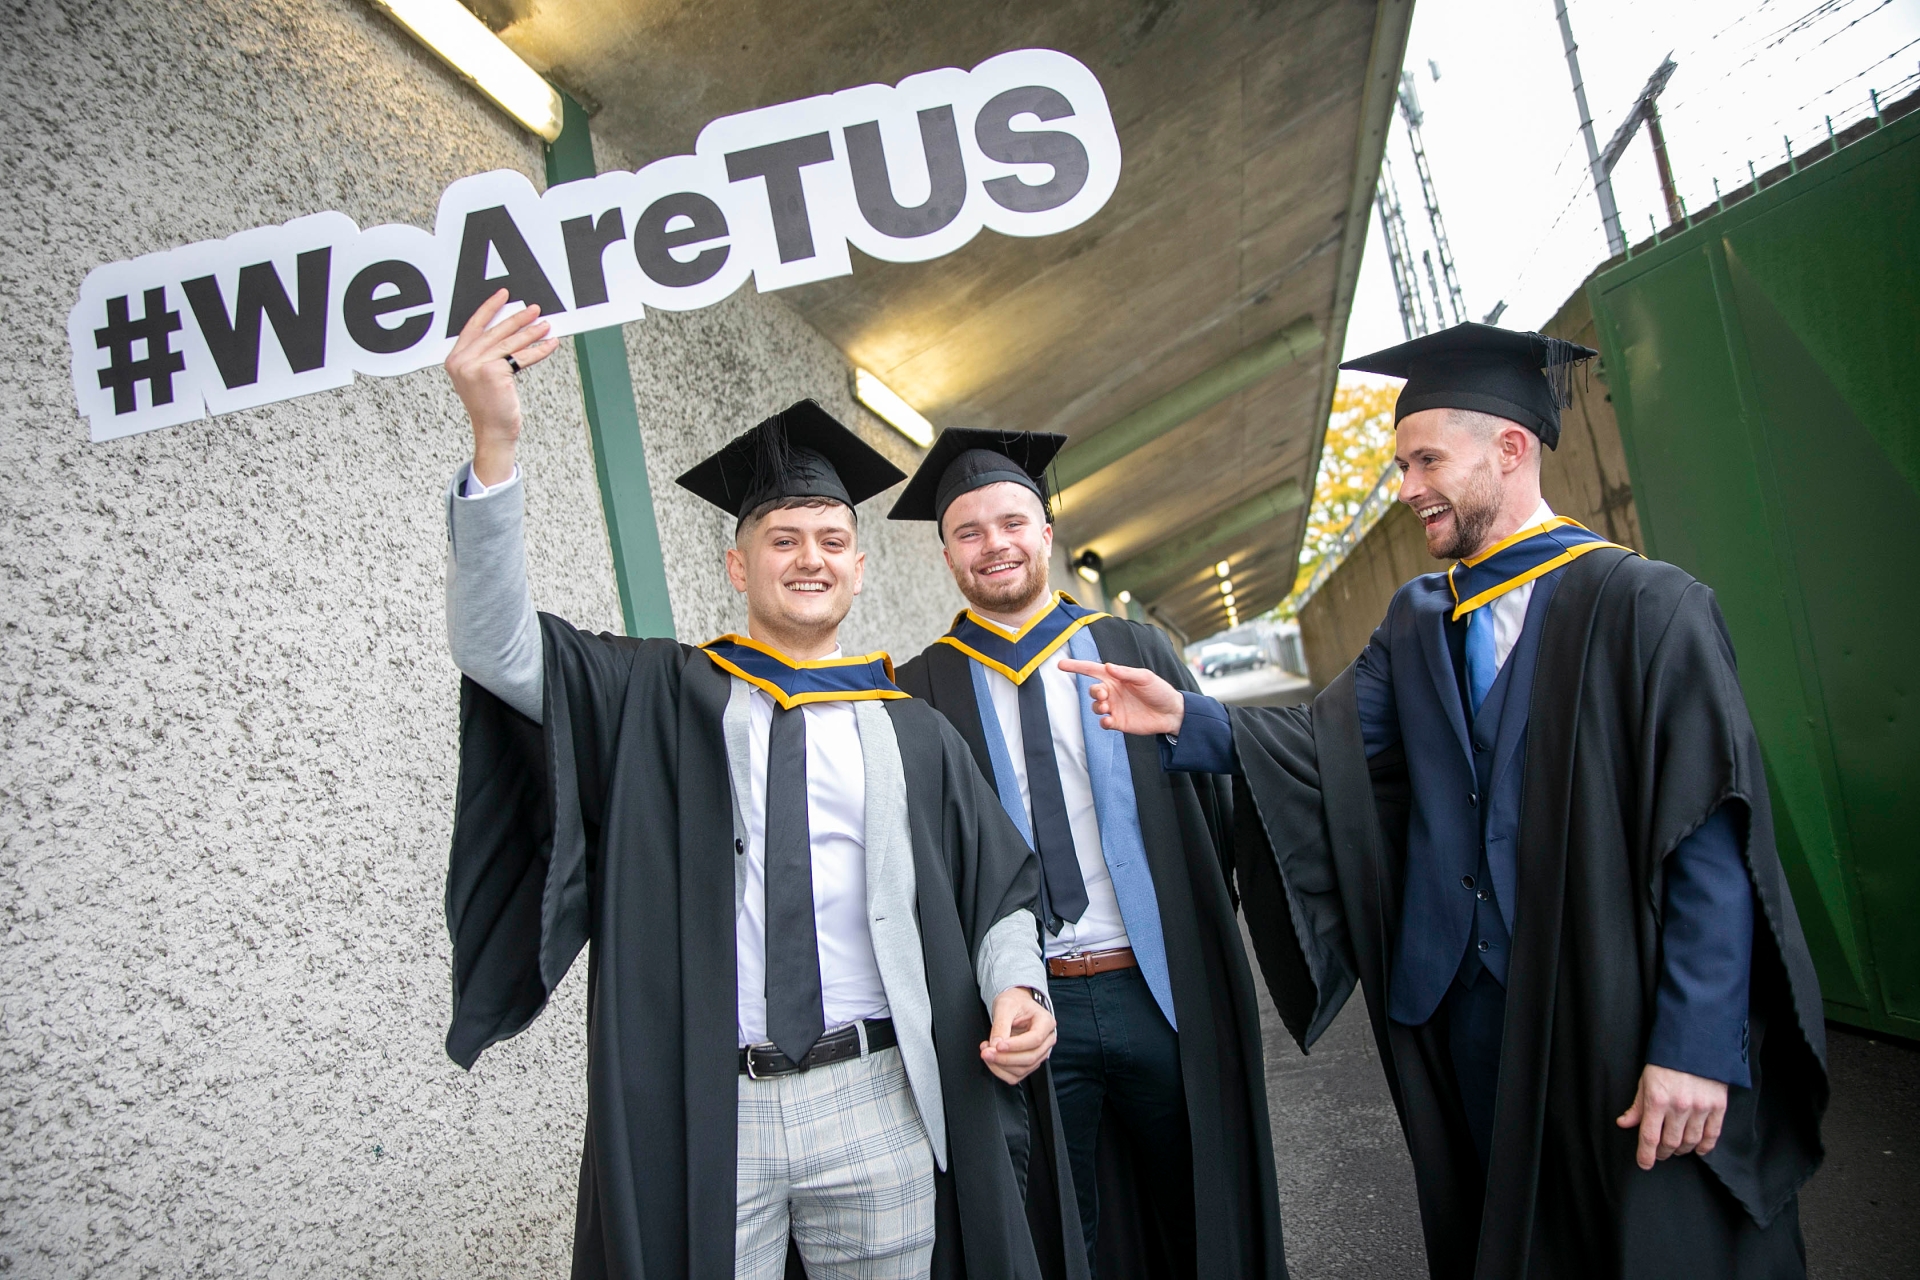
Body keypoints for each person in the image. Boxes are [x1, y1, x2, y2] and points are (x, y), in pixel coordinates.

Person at [1060, 323, 1828, 1279]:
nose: (1408, 485)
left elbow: (1709, 838)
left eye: (1426, 460)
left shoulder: (1646, 611)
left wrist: (1696, 1046)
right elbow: (1328, 742)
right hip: (1459, 1010)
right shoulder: (1421, 621)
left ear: (1510, 448)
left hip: (1603, 996)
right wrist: (1187, 716)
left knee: (1635, 1237)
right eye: (1399, 464)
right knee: (1494, 1239)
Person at [437, 290, 1088, 1280]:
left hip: (878, 1095)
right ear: (738, 564)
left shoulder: (911, 727)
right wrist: (495, 439)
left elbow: (997, 886)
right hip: (716, 1105)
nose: (810, 558)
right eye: (784, 540)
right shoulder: (658, 694)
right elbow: (496, 647)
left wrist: (1017, 984)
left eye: (831, 540)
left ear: (860, 568)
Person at [889, 430, 1289, 1280]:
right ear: (947, 555)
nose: (993, 544)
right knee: (1056, 1235)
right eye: (968, 532)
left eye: (1011, 522)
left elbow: (1213, 813)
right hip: (1025, 1014)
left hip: (1154, 989)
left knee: (1198, 1214)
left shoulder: (1135, 651)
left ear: (1045, 533)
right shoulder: (921, 689)